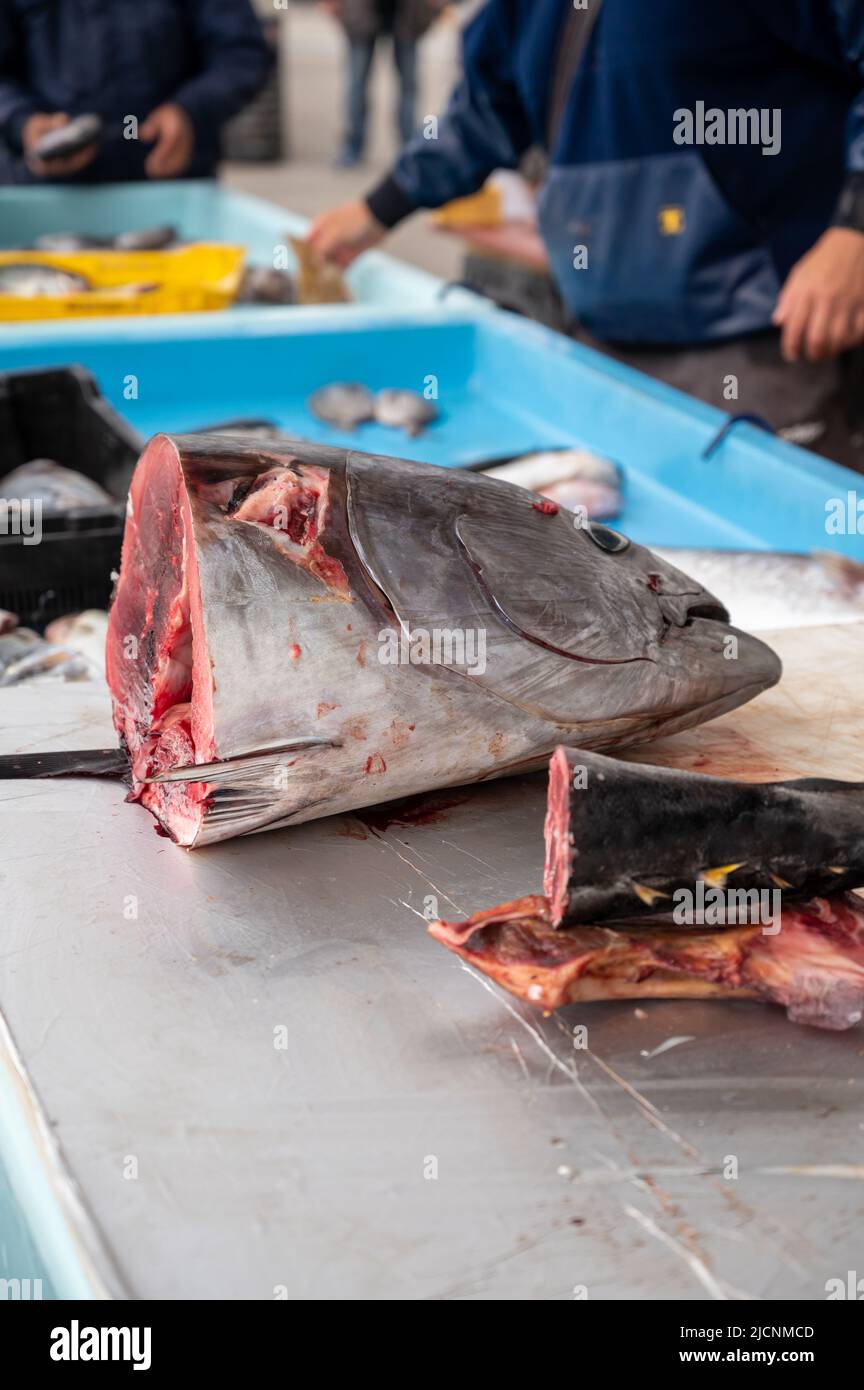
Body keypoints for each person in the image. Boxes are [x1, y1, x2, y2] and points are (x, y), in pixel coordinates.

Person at [309, 0, 864, 469]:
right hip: (597, 343)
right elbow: (484, 110)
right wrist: (378, 209)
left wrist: (854, 232)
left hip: (762, 348)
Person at [0, 0, 272, 184]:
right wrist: (21, 122)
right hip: (42, 197)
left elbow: (242, 51)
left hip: (170, 192)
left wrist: (191, 110)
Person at [321, 0, 443, 168]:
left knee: (408, 84)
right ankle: (353, 146)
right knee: (357, 83)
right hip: (361, 12)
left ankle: (408, 145)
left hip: (406, 13)